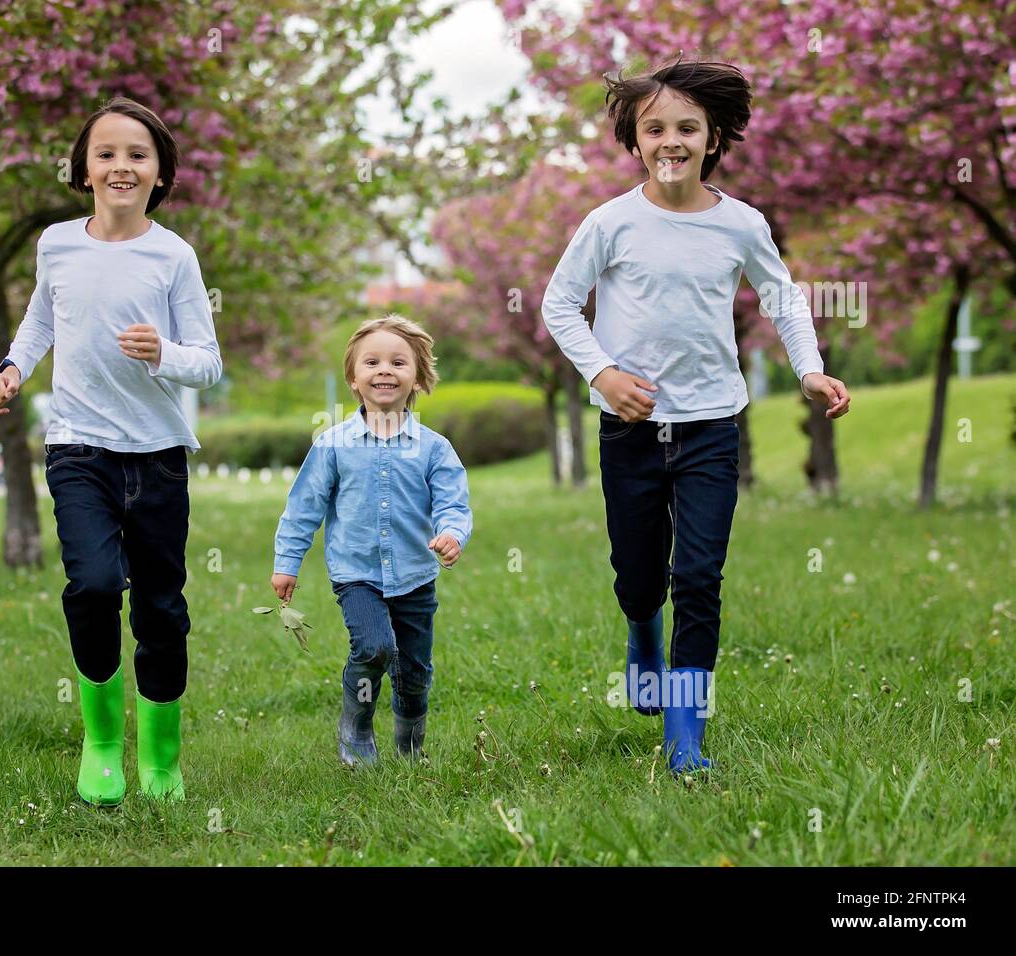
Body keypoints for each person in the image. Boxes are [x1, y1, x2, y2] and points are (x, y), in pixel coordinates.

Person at [541, 57, 851, 774]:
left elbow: (782, 298)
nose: (671, 141)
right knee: (638, 577)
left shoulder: (741, 224)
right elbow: (560, 304)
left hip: (712, 424)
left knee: (700, 578)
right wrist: (604, 374)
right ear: (634, 139)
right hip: (629, 430)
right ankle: (642, 634)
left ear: (713, 139)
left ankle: (685, 737)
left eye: (687, 128)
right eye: (655, 129)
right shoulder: (610, 222)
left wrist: (808, 369)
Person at [0, 96, 223, 804]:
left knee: (160, 609)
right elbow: (40, 321)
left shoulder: (174, 256)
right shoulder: (57, 244)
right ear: (83, 170)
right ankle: (102, 744)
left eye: (138, 155)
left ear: (160, 174)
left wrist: (164, 352)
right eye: (107, 153)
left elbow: (207, 362)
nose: (122, 165)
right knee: (91, 585)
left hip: (157, 456)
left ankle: (162, 759)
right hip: (77, 449)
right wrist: (11, 368)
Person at [271, 315, 472, 766]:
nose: (385, 370)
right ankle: (356, 729)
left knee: (414, 671)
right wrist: (287, 563)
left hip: (415, 576)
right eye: (372, 362)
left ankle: (409, 745)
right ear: (353, 378)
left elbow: (453, 503)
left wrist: (451, 533)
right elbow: (303, 508)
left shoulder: (434, 448)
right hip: (356, 574)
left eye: (398, 362)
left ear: (417, 378)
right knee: (374, 647)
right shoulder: (332, 445)